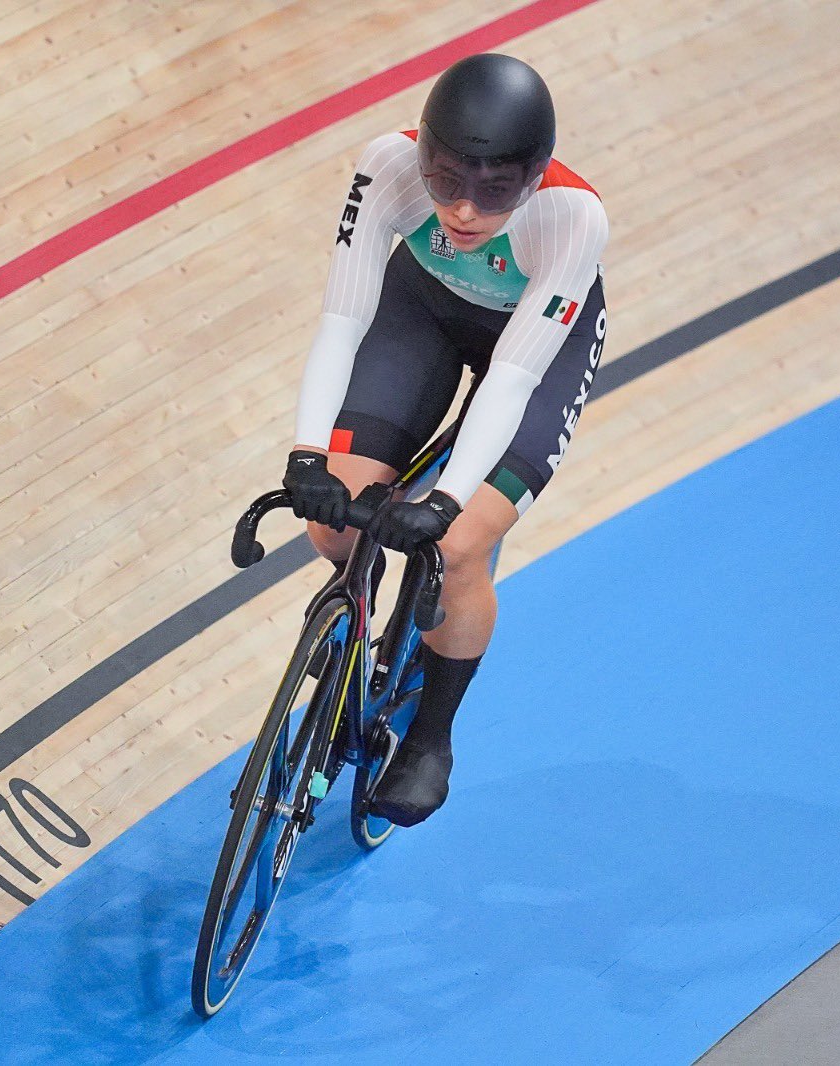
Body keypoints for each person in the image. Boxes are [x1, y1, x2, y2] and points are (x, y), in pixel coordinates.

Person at [280, 53, 608, 826]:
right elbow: (342, 321)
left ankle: (431, 738)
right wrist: (304, 454)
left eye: (494, 193)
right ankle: (351, 663)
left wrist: (447, 500)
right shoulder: (387, 165)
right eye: (447, 182)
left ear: (533, 179)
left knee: (456, 547)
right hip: (421, 311)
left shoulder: (573, 218)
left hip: (534, 351)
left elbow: (512, 380)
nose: (462, 213)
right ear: (423, 156)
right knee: (333, 517)